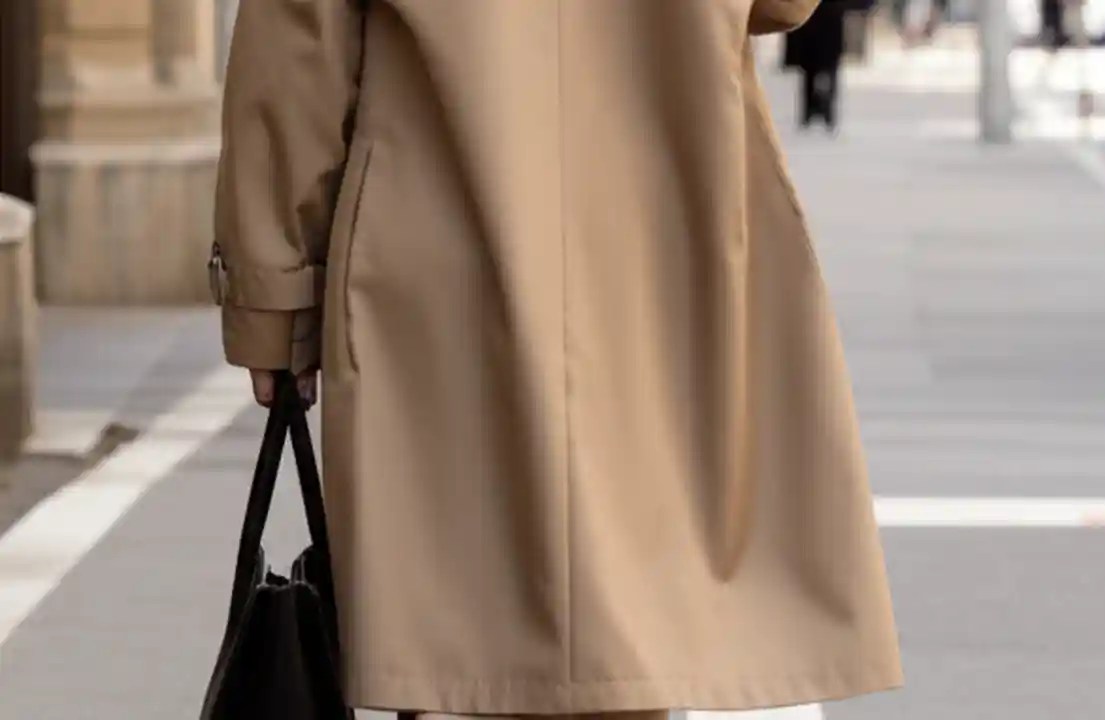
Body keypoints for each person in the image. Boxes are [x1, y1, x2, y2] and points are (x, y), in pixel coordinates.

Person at [212, 1, 903, 719]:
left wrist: (272, 295)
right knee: (627, 636)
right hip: (656, 246)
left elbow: (295, 51)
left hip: (440, 240)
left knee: (455, 639)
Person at [786, 0, 854, 131]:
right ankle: (816, 109)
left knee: (819, 69)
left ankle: (817, 109)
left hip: (822, 22)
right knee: (817, 69)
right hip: (819, 23)